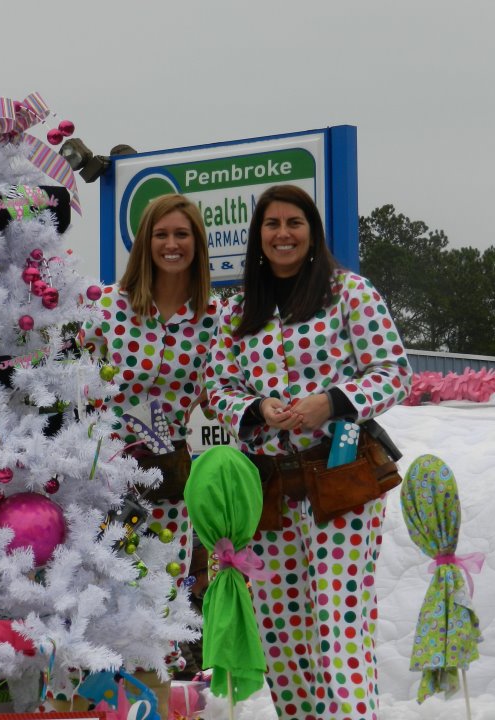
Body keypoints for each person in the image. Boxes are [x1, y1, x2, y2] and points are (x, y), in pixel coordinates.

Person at [205, 184, 412, 720]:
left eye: (294, 223)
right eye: (271, 225)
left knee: (338, 622)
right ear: (258, 238)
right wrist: (256, 409)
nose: (282, 234)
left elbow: (394, 373)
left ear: (312, 232)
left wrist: (333, 402)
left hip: (340, 476)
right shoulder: (236, 311)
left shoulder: (349, 294)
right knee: (281, 629)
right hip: (271, 487)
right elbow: (218, 388)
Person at [81, 193, 220, 587]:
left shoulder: (215, 317)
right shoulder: (108, 306)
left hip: (167, 476)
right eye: (161, 234)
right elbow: (70, 377)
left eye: (182, 234)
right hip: (106, 472)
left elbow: (227, 384)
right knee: (105, 585)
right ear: (145, 242)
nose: (171, 244)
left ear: (197, 243)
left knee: (161, 589)